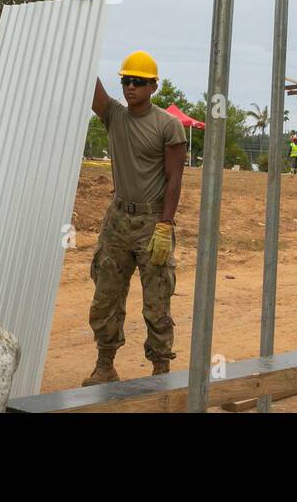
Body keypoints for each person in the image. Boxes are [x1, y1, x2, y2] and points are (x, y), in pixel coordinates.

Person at [83, 51, 186, 385]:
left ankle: (160, 371)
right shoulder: (114, 116)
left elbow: (174, 178)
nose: (131, 87)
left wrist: (165, 224)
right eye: (126, 80)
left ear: (153, 86)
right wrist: (84, 47)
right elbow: (90, 87)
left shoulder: (167, 125)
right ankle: (105, 365)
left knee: (157, 302)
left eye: (139, 82)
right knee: (106, 297)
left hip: (152, 222)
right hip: (117, 220)